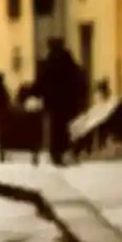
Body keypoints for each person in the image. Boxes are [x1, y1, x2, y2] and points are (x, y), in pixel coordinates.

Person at [38, 38, 84, 166]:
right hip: (66, 100)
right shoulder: (67, 59)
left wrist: (39, 94)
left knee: (55, 128)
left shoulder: (50, 60)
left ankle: (56, 154)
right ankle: (64, 152)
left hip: (54, 101)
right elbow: (76, 78)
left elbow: (43, 80)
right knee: (64, 127)